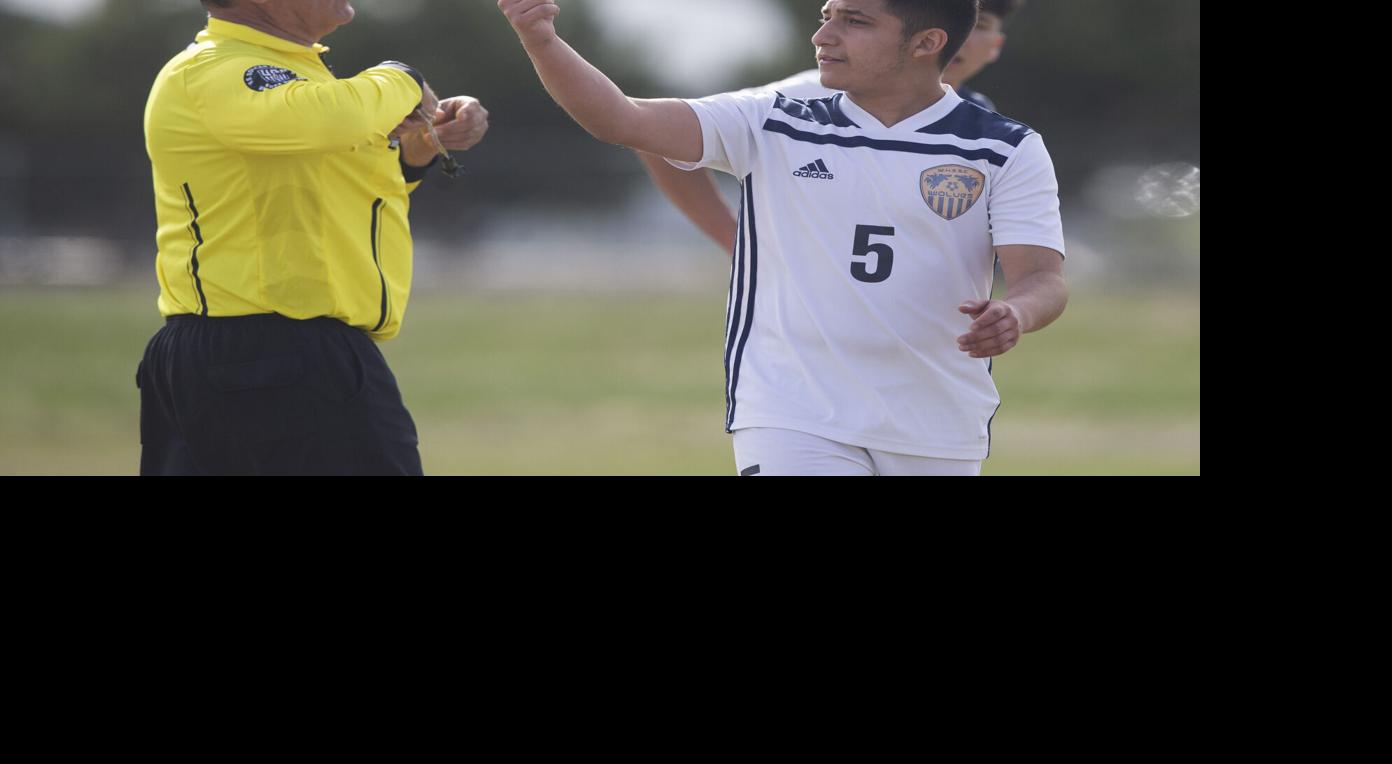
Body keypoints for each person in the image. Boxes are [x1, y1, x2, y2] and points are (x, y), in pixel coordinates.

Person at [499, 0, 1066, 476]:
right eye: (826, 15)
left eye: (855, 20)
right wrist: (540, 38)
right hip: (793, 411)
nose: (823, 35)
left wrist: (1016, 313)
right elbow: (622, 120)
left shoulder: (1004, 147)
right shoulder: (774, 118)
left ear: (926, 43)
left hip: (938, 421)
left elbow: (1041, 278)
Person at [137, 0, 490, 475]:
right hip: (271, 355)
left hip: (268, 355)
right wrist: (401, 77)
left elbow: (328, 184)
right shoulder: (217, 68)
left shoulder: (292, 76)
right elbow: (332, 120)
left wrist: (416, 149)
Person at [639, 0, 1027, 254]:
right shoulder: (814, 96)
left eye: (979, 25)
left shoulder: (981, 123)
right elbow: (657, 138)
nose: (961, 39)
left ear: (995, 45)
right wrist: (735, 238)